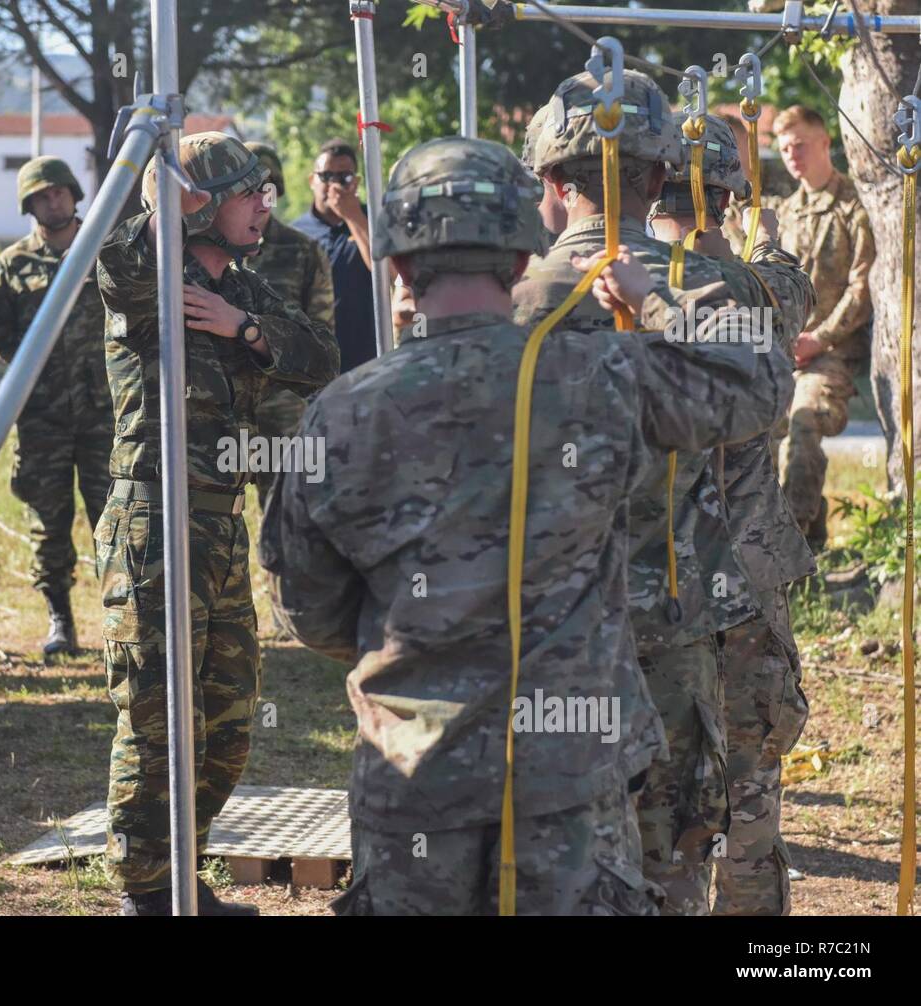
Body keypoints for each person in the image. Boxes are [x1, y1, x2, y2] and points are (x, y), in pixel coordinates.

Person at [260, 135, 795, 915]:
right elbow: (757, 378)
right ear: (520, 260)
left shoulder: (342, 410)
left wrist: (415, 641)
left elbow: (304, 604)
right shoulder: (598, 377)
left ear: (400, 266)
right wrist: (655, 299)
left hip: (414, 771)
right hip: (568, 780)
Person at [514, 69, 798, 914]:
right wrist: (668, 305)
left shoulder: (502, 304)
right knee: (674, 863)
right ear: (658, 175)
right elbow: (764, 380)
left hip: (544, 649)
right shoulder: (703, 294)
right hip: (674, 641)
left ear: (550, 183)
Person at [96, 131, 339, 915]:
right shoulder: (145, 281)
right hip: (154, 519)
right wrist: (156, 187)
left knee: (228, 717)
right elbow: (114, 253)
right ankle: (147, 894)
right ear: (198, 207)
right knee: (157, 715)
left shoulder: (242, 285)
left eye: (266, 189)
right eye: (247, 191)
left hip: (220, 522)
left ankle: (181, 876)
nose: (265, 204)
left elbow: (319, 354)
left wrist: (245, 329)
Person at [648, 112, 816, 915]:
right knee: (751, 777)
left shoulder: (612, 278)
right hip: (745, 569)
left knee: (669, 784)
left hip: (655, 576)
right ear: (726, 194)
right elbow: (792, 287)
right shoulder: (756, 283)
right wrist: (768, 237)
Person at [0, 157, 113, 660]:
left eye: (60, 192)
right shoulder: (13, 264)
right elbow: (1, 334)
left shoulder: (107, 249)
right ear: (28, 205)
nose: (52, 201)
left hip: (106, 414)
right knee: (48, 521)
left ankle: (121, 616)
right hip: (43, 418)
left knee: (117, 517)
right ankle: (60, 619)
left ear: (75, 195)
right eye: (41, 196)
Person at [772, 105, 876, 550]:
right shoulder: (785, 212)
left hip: (833, 353)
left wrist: (819, 339)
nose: (792, 155)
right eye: (784, 148)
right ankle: (812, 537)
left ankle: (790, 549)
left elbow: (863, 286)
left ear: (824, 142)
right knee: (755, 430)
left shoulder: (855, 204)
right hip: (785, 351)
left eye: (799, 145)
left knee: (803, 420)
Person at [243, 142, 335, 503]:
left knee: (287, 520)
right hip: (220, 413)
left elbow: (322, 343)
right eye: (246, 191)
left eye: (266, 190)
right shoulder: (204, 251)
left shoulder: (303, 252)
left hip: (284, 414)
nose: (258, 200)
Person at [292, 138, 378, 371]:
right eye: (326, 176)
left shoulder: (374, 223)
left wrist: (352, 215)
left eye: (344, 177)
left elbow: (385, 272)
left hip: (365, 362)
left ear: (356, 182)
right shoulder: (295, 233)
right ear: (312, 180)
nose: (334, 185)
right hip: (312, 365)